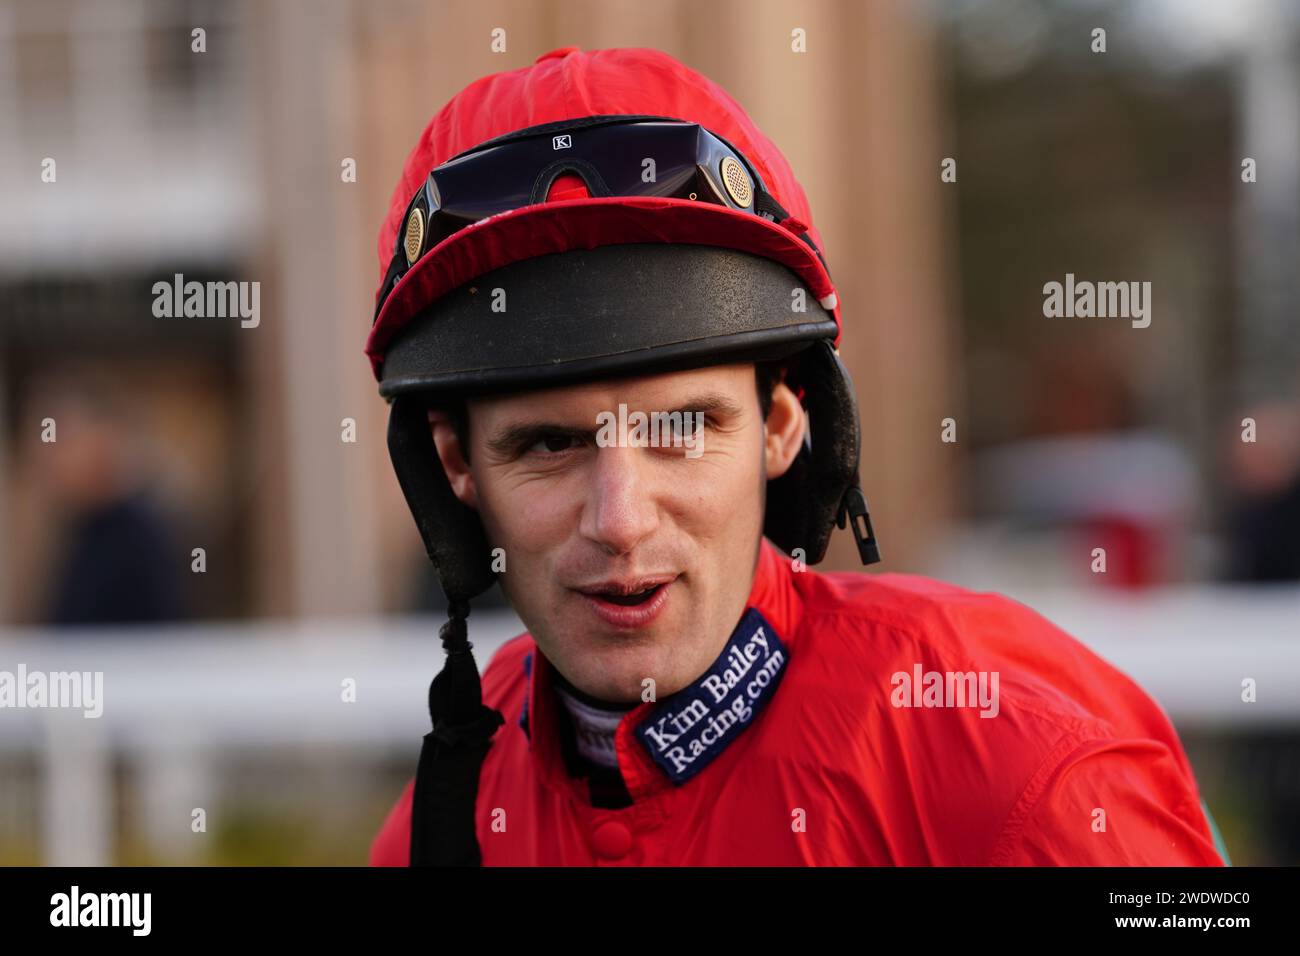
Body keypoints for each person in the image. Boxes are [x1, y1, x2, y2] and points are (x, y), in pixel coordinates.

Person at [365, 46, 1225, 866]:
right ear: (455, 466)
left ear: (782, 423)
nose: (621, 519)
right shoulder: (445, 818)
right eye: (549, 444)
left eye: (682, 428)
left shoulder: (1021, 764)